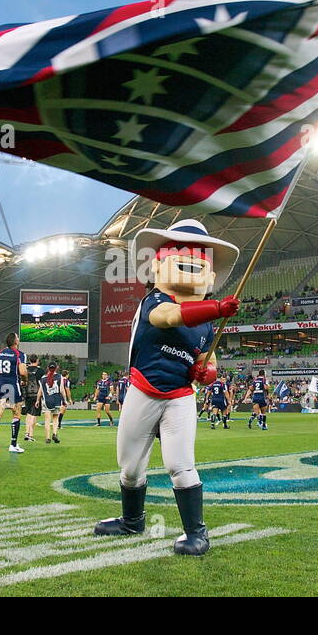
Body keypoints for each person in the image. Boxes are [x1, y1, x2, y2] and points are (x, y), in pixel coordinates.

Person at [93, 219, 239, 556]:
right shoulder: (154, 301)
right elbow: (169, 317)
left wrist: (209, 373)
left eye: (198, 265)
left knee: (181, 464)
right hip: (144, 390)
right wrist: (215, 309)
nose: (190, 269)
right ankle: (133, 520)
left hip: (179, 397)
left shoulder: (205, 324)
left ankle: (197, 533)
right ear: (159, 266)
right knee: (129, 467)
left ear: (210, 277)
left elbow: (207, 358)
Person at [0, 332, 28, 455]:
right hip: (13, 385)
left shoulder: (1, 353)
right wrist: (25, 380)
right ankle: (13, 445)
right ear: (15, 341)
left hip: (1, 385)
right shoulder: (20, 354)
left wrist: (2, 373)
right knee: (16, 415)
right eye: (17, 337)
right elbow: (22, 372)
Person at [38, 361, 68, 443]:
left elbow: (40, 391)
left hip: (46, 401)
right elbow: (62, 390)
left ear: (48, 368)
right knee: (55, 418)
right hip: (56, 400)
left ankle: (47, 438)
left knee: (47, 420)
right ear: (56, 368)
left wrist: (37, 400)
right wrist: (65, 400)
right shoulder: (59, 377)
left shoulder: (43, 378)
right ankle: (54, 433)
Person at [23, 354, 45, 442]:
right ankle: (30, 435)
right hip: (37, 394)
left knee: (28, 413)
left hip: (27, 394)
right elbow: (43, 384)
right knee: (34, 414)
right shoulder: (41, 370)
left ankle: (26, 432)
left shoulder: (25, 369)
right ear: (37, 360)